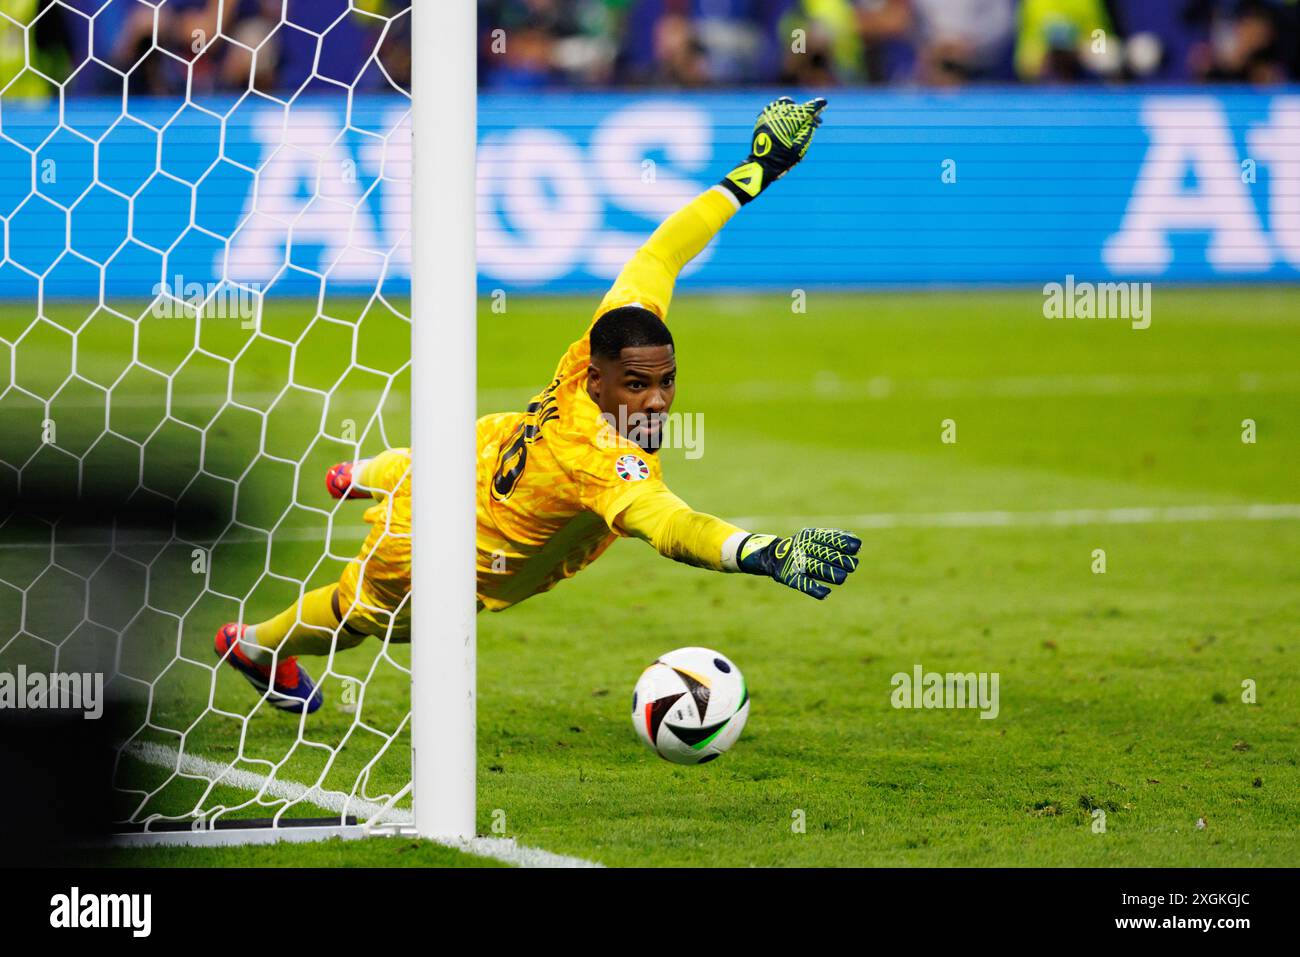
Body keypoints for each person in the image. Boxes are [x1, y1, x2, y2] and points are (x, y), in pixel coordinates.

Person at [215, 96, 863, 714]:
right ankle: (255, 645)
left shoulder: (612, 332)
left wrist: (758, 170)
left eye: (666, 381)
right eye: (638, 386)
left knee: (446, 455)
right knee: (359, 621)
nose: (658, 399)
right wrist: (765, 552)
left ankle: (360, 476)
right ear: (602, 379)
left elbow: (662, 251)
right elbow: (672, 527)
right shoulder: (604, 463)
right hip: (435, 547)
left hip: (484, 453)